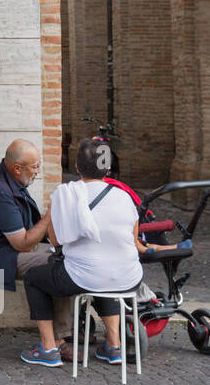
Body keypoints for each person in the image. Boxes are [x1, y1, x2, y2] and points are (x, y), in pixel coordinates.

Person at [20, 139, 146, 367]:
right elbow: (133, 239)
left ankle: (48, 348)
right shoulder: (125, 197)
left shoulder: (65, 195)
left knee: (34, 278)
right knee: (104, 277)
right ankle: (114, 346)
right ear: (107, 169)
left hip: (83, 276)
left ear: (77, 168)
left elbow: (56, 241)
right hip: (129, 277)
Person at [0, 138, 74, 355]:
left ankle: (62, 336)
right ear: (16, 168)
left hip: (8, 251)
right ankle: (56, 342)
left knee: (66, 256)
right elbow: (22, 243)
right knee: (57, 264)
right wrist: (50, 215)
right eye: (34, 167)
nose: (38, 171)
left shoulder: (11, 181)